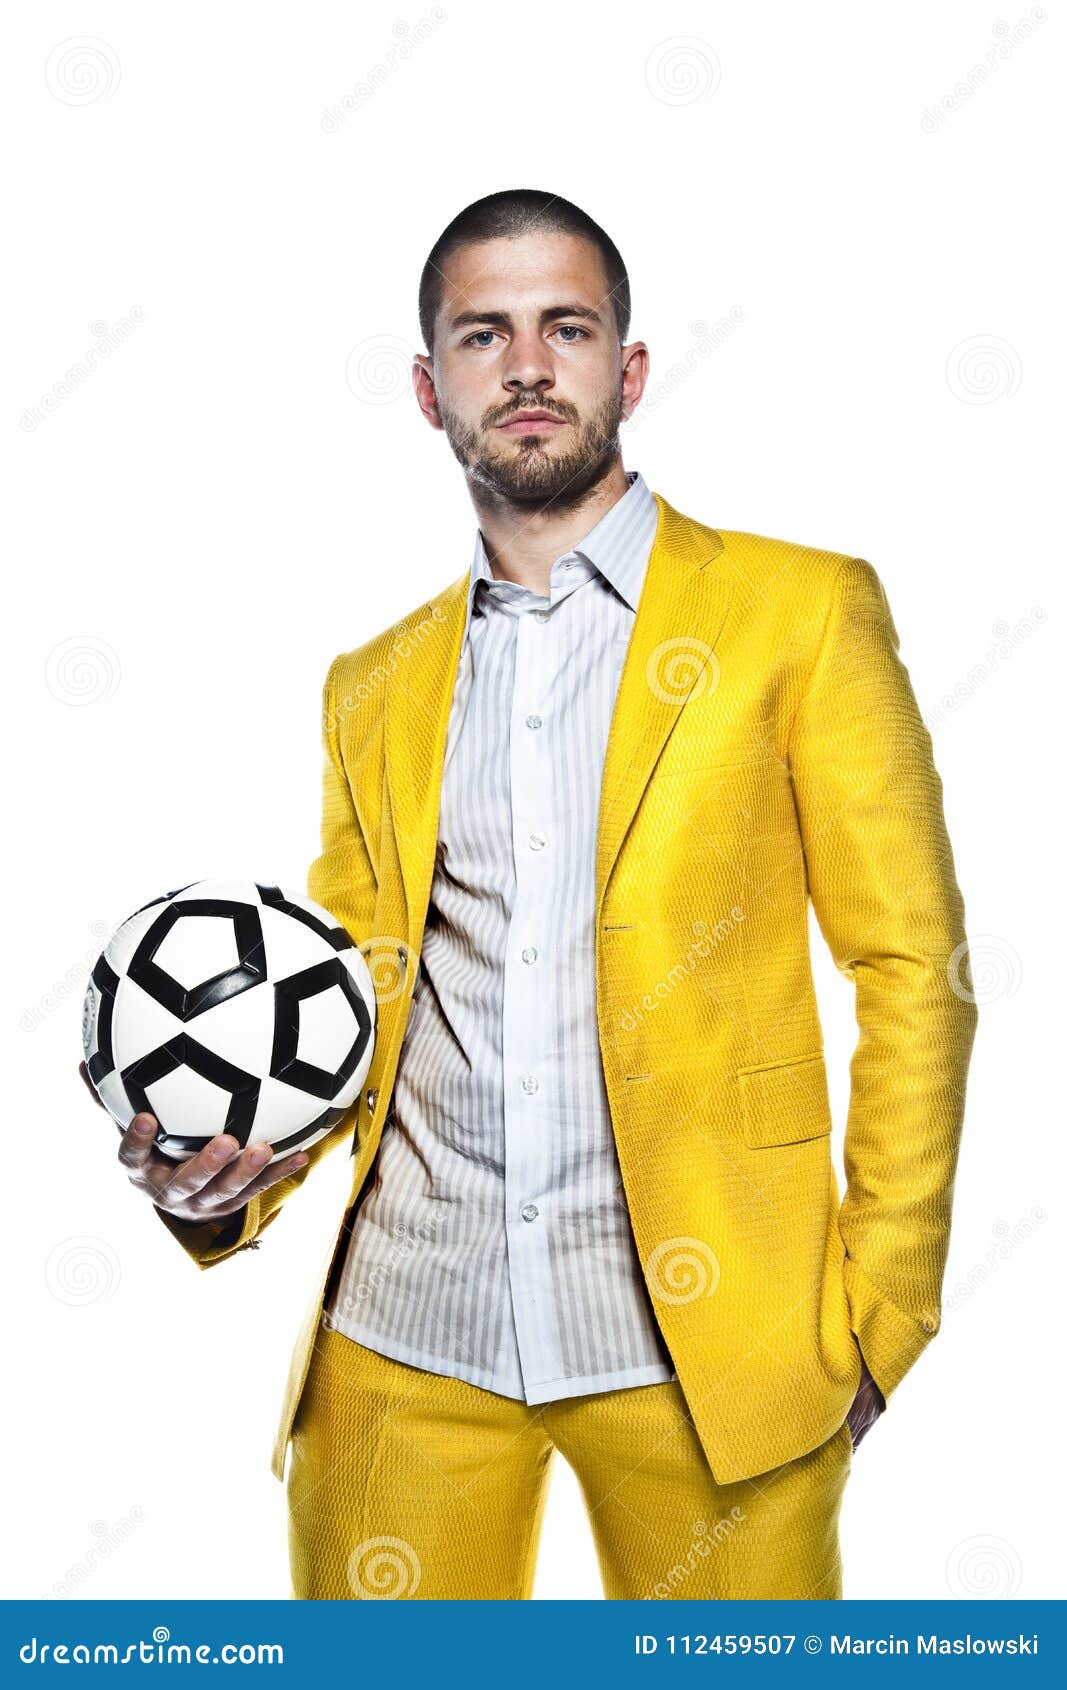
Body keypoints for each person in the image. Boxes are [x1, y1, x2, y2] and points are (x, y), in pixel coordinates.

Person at [80, 188, 978, 1600]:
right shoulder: (371, 683)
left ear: (626, 368)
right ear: (434, 392)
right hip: (402, 1345)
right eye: (484, 335)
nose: (529, 366)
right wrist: (220, 1182)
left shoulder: (801, 616)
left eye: (566, 327)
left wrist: (881, 1315)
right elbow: (352, 1003)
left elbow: (913, 966)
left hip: (717, 1352)